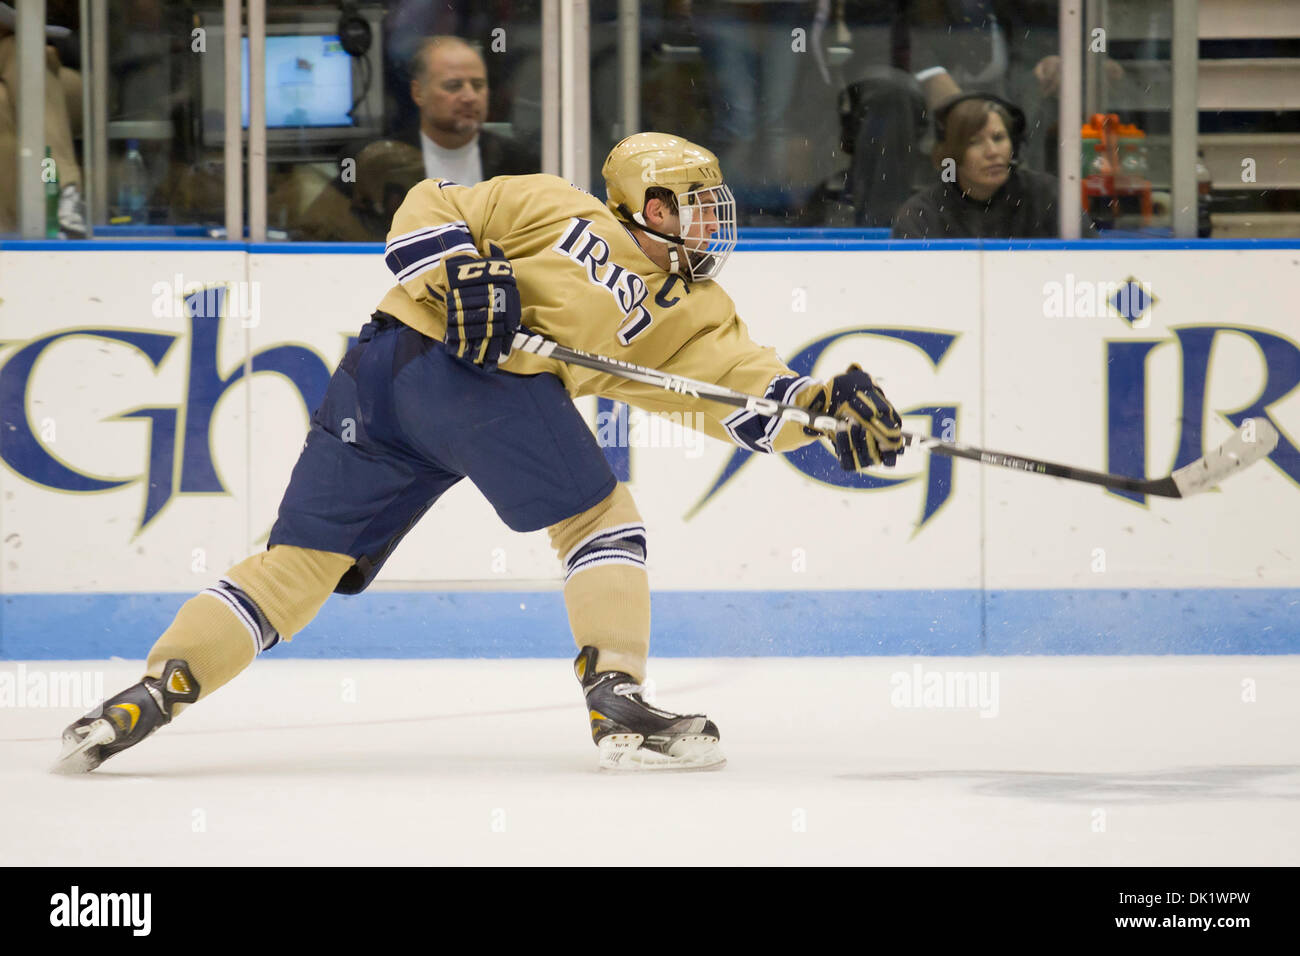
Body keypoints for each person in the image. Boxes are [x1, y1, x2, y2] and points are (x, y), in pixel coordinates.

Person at [55, 132, 905, 775]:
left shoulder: (695, 310)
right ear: (644, 202)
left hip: (387, 381)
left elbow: (746, 396)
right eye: (693, 201)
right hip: (438, 366)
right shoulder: (554, 202)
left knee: (299, 566)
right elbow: (427, 206)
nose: (711, 220)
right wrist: (466, 271)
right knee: (599, 517)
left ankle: (148, 696)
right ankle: (618, 704)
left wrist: (822, 413)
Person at [891, 93, 1058, 239]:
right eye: (974, 142)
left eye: (998, 138)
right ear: (951, 153)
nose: (992, 152)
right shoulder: (921, 215)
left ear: (1013, 144)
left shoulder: (1046, 196)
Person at [404, 35, 536, 185]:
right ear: (418, 93)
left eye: (478, 85)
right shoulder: (387, 162)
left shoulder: (518, 164)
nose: (470, 97)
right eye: (454, 85)